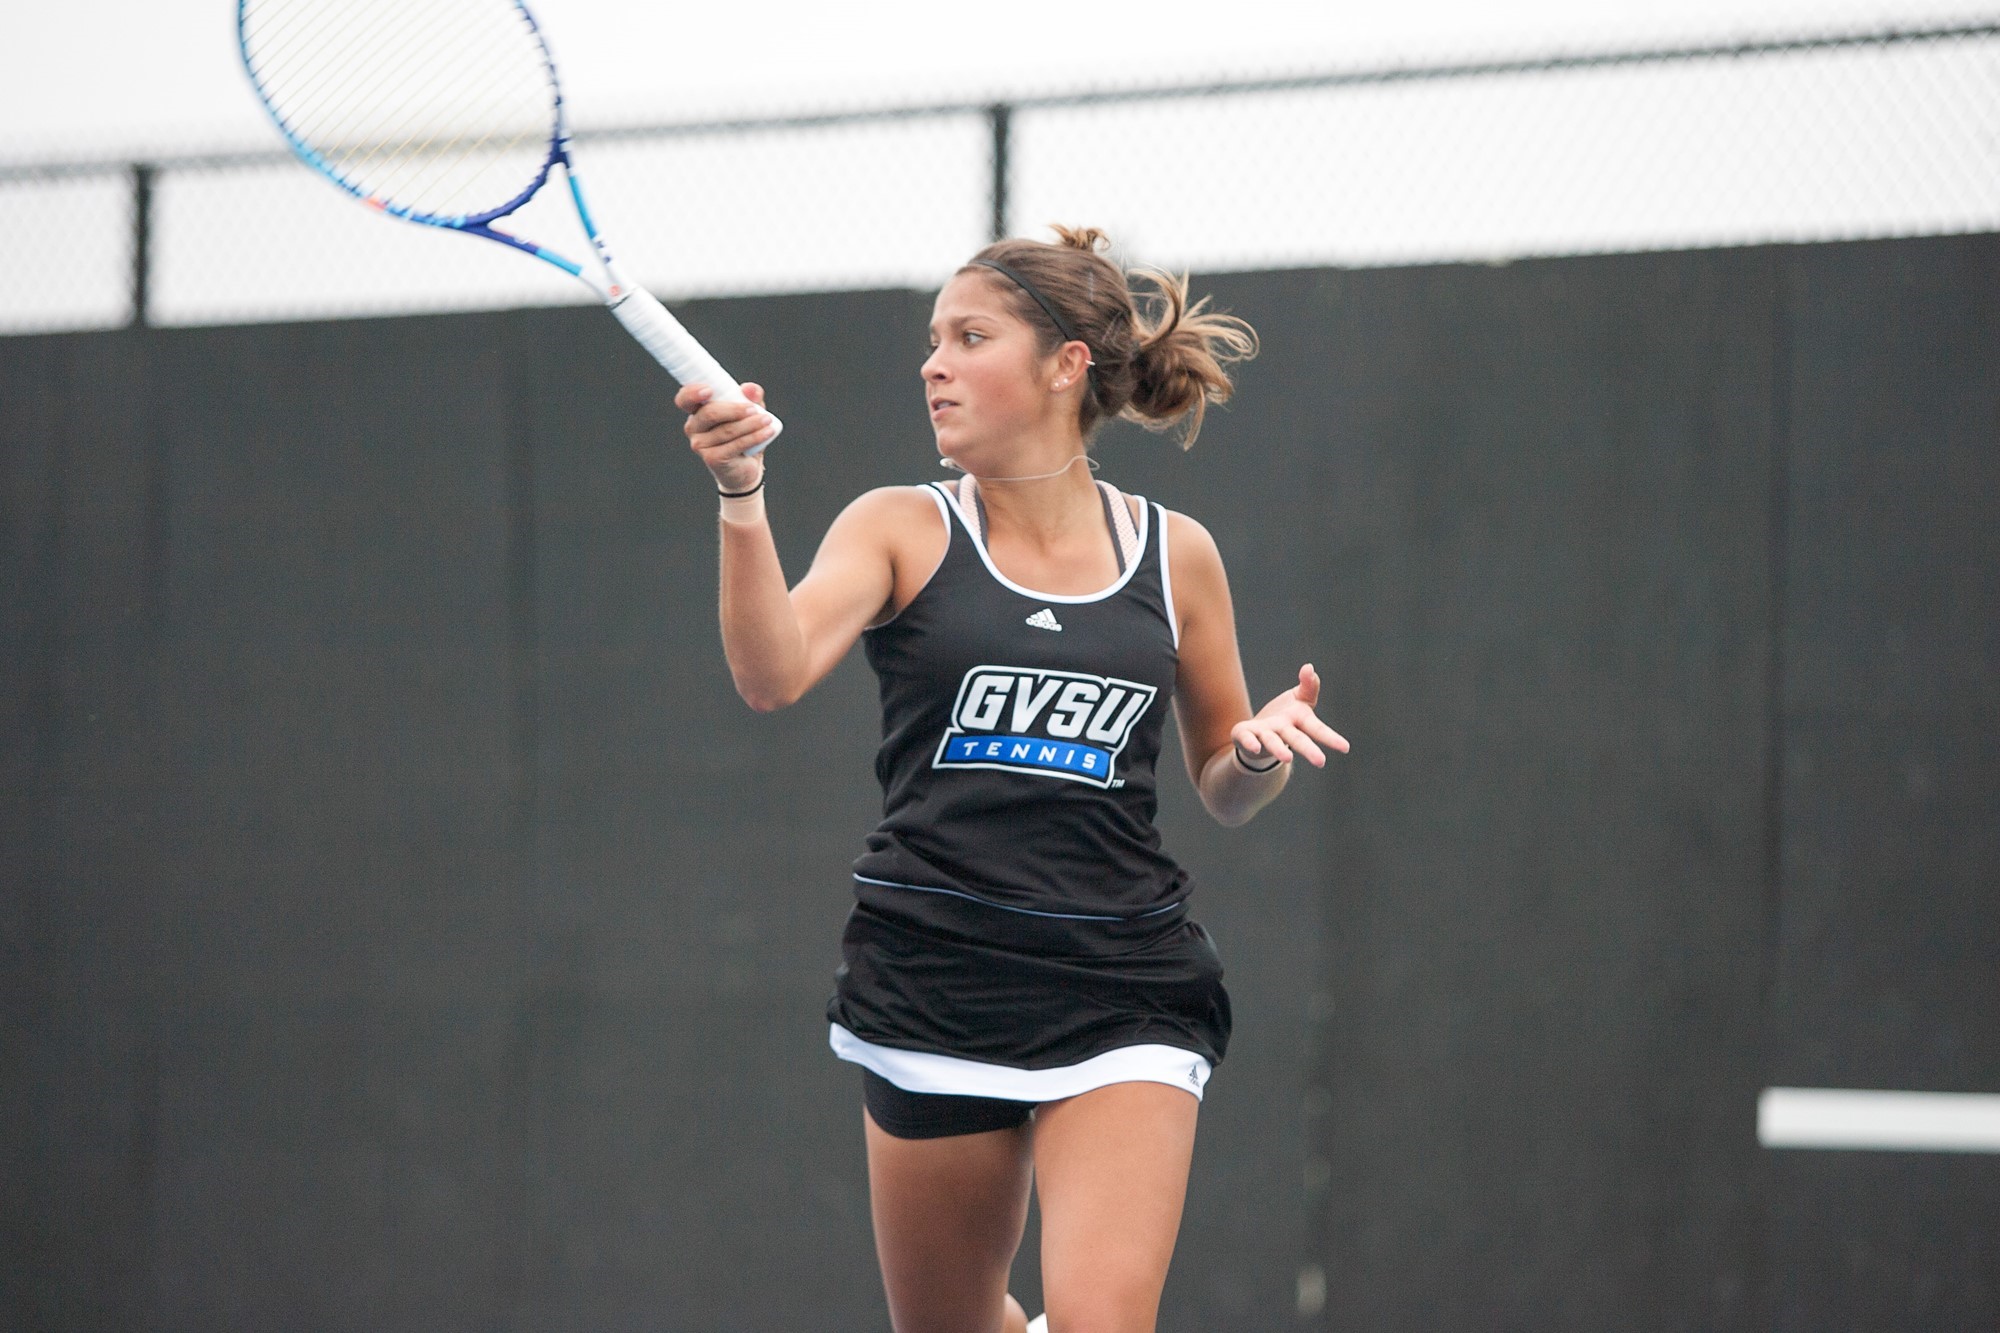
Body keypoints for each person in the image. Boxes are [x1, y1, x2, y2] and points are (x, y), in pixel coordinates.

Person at [678, 226, 1349, 1333]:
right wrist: (741, 494)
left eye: (969, 336)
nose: (933, 362)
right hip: (932, 977)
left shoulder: (1175, 553)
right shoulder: (900, 526)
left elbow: (1223, 783)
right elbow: (770, 672)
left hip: (1121, 981)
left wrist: (1258, 753)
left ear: (1064, 364)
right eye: (931, 339)